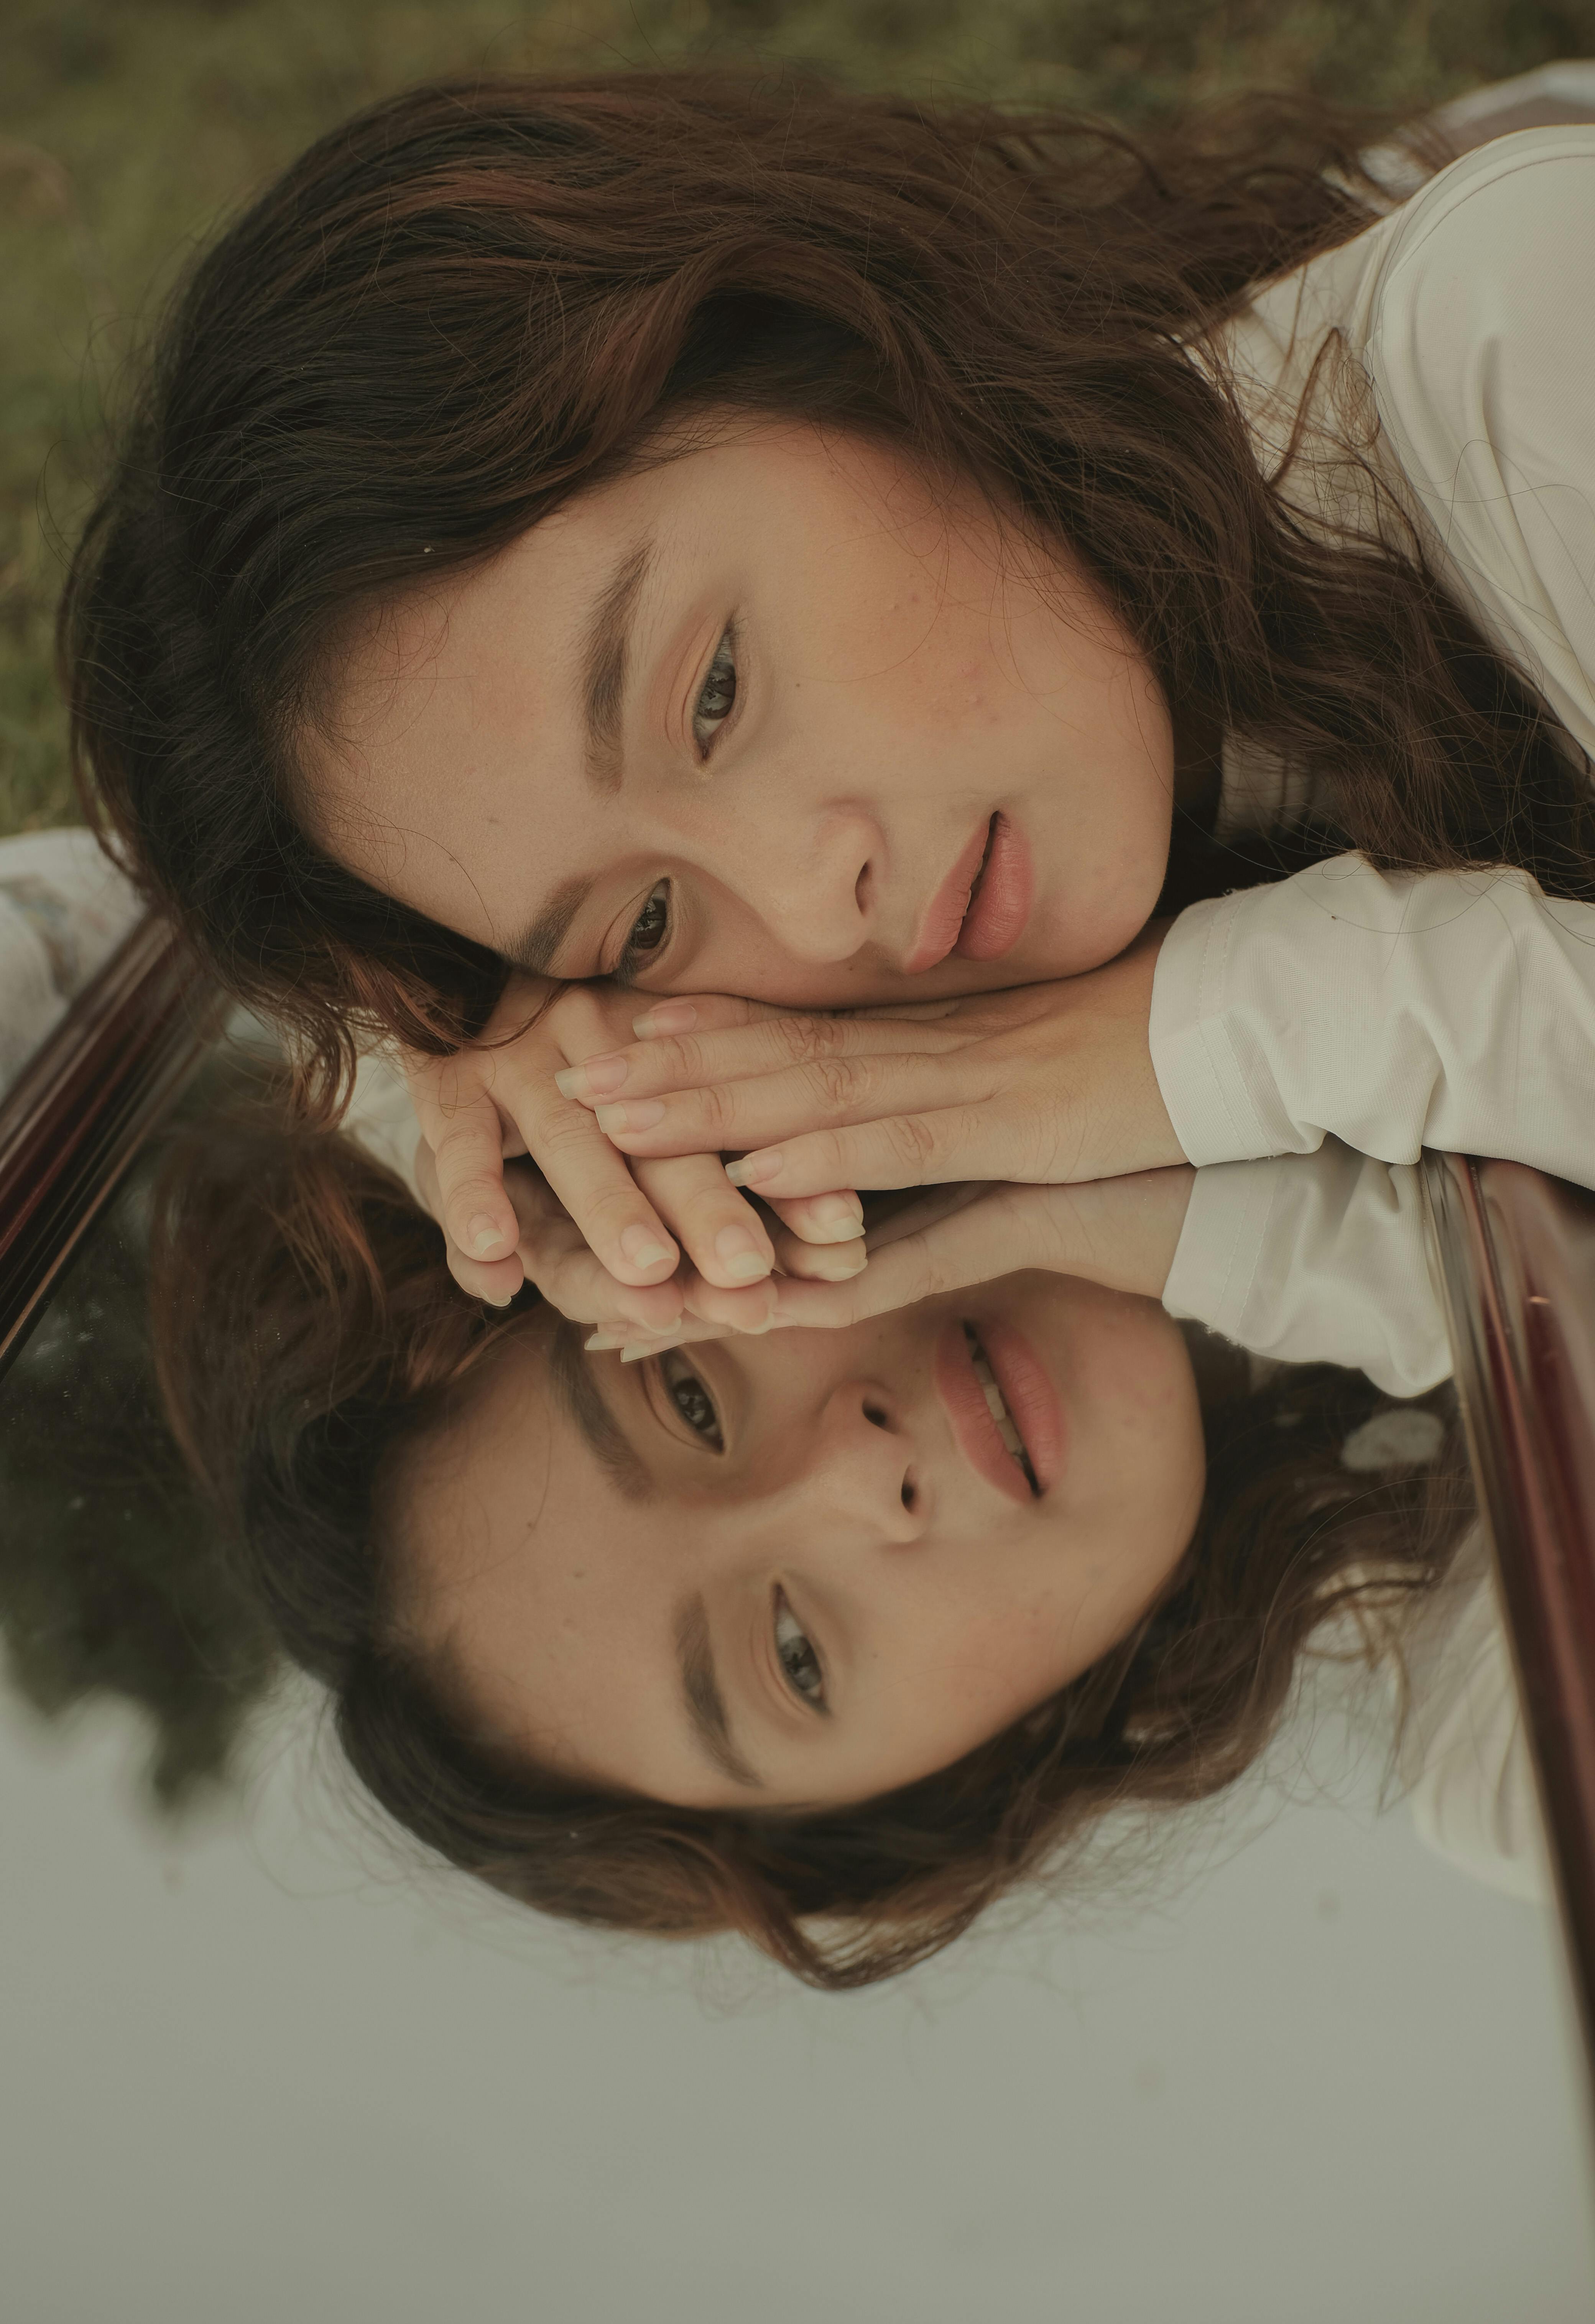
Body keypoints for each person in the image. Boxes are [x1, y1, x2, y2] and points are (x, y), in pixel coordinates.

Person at [57, 75, 1595, 1361]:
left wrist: (1189, 1037)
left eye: (714, 692)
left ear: (835, 340)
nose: (812, 899)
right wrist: (489, 1067)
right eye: (645, 922)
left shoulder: (1519, 328)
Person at [155, 1095, 1512, 1992]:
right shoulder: (1522, 1733)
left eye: (685, 1394)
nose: (858, 1470)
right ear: (965, 1785)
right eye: (795, 1656)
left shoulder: (1161, 784)